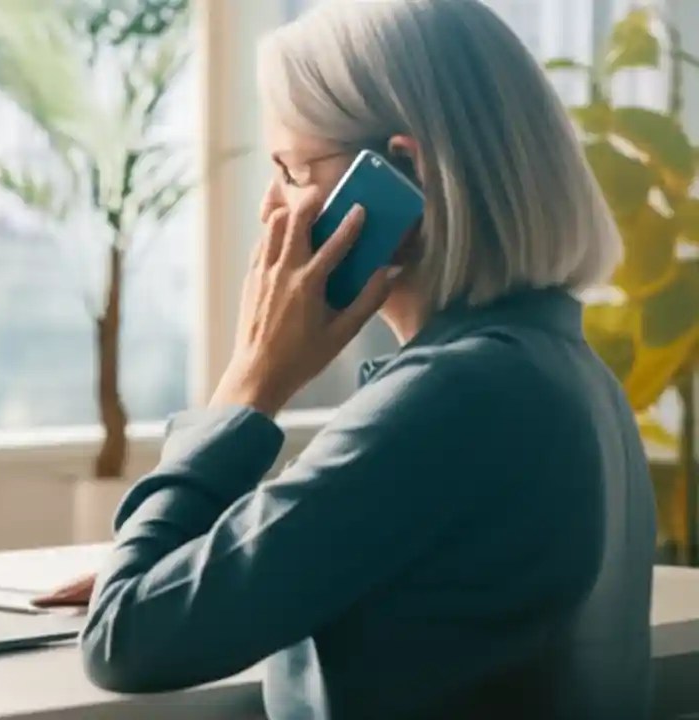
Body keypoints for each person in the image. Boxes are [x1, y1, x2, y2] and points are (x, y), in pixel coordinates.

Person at [33, 0, 656, 718]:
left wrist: (247, 386)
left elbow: (127, 639)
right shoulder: (560, 371)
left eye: (293, 171)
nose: (273, 210)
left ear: (401, 171)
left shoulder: (457, 396)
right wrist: (185, 567)